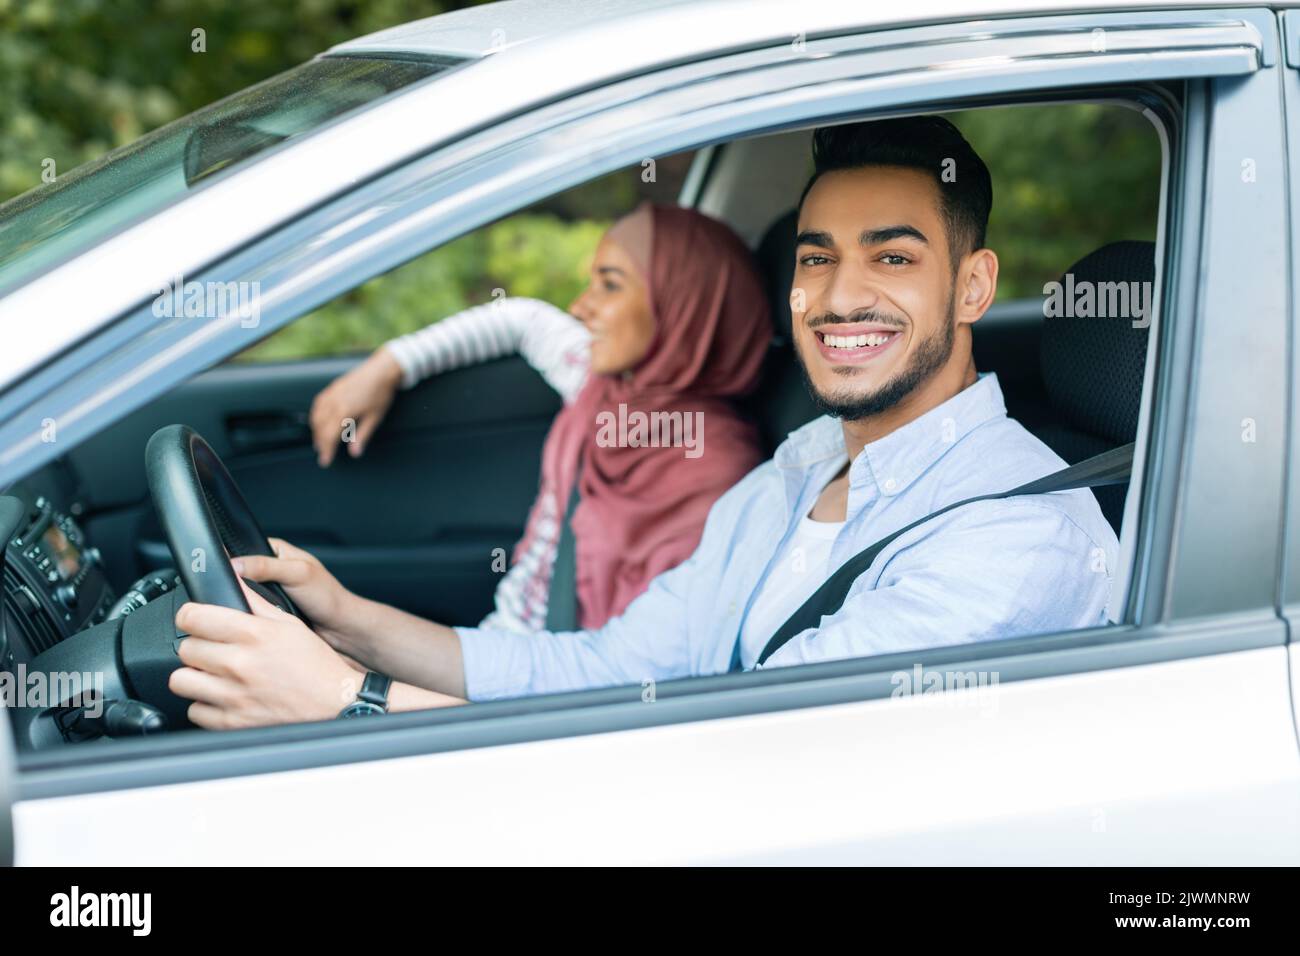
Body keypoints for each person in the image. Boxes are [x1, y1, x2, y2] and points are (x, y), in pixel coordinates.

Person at [170, 116, 1120, 728]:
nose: (841, 296)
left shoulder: (1013, 536)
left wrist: (347, 702)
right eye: (817, 257)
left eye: (895, 259)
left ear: (975, 286)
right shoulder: (800, 466)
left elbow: (739, 767)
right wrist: (354, 623)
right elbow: (614, 667)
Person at [309, 203, 772, 633]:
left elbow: (647, 655)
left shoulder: (719, 473)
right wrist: (390, 364)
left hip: (553, 692)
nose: (579, 306)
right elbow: (523, 320)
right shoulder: (598, 384)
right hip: (502, 639)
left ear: (684, 305)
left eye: (609, 285)